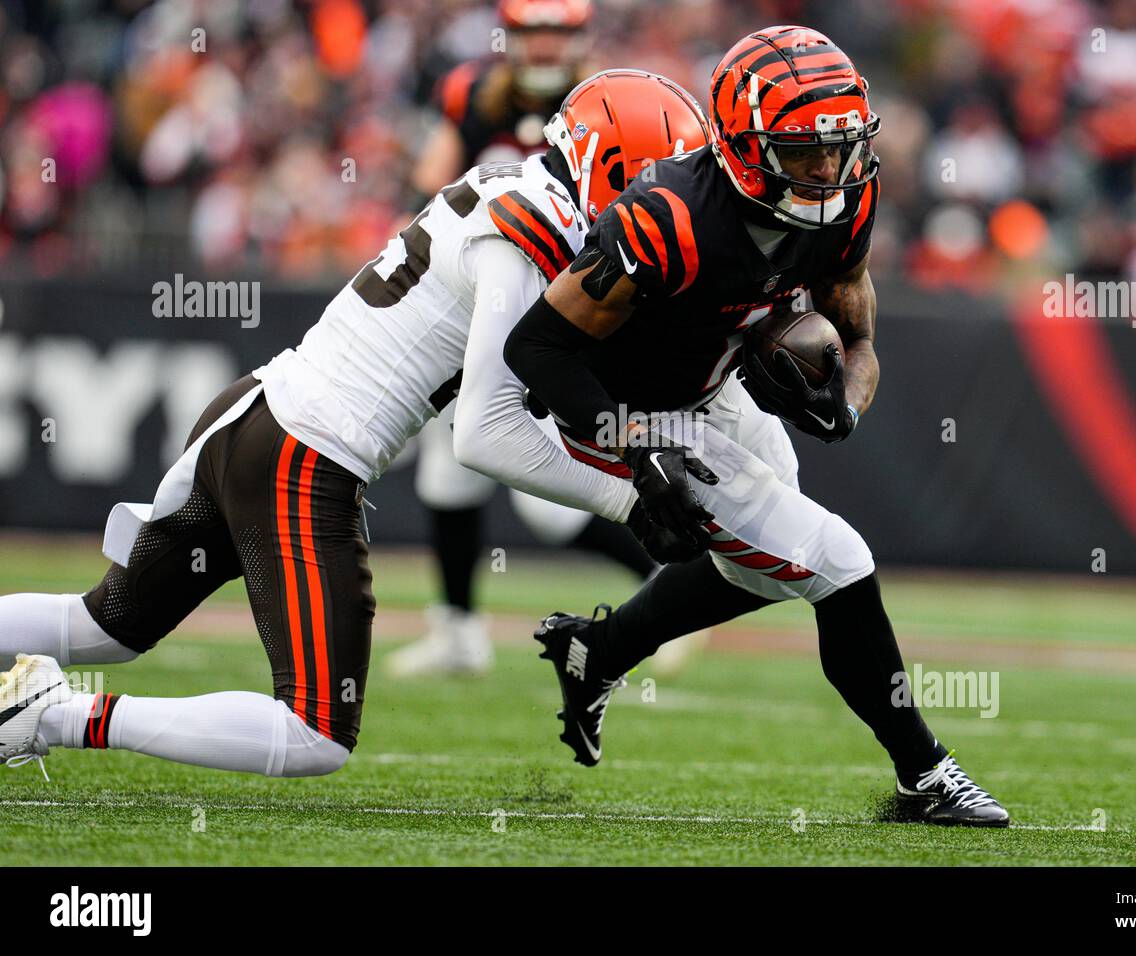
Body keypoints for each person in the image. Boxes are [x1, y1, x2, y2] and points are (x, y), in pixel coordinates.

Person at [0, 70, 708, 780]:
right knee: (316, 732)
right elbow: (486, 434)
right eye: (660, 185)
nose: (669, 208)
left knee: (105, 627)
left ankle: (54, 707)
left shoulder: (509, 184)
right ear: (616, 169)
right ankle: (54, 715)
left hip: (256, 412)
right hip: (306, 453)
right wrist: (628, 495)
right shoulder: (530, 234)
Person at [498, 26, 1009, 826]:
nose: (826, 169)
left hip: (716, 381)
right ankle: (926, 775)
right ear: (742, 144)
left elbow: (858, 328)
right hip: (629, 408)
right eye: (803, 149)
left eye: (838, 147)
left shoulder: (847, 198)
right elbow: (535, 347)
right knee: (835, 558)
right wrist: (634, 446)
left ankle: (595, 653)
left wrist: (849, 398)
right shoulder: (664, 218)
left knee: (768, 563)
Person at [397, 0, 667, 675]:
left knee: (534, 490)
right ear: (510, 38)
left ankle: (667, 580)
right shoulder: (471, 96)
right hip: (489, 296)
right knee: (449, 464)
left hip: (564, 313)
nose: (545, 49)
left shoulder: (605, 103)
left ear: (578, 39)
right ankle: (458, 627)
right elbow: (431, 185)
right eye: (532, 33)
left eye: (558, 34)